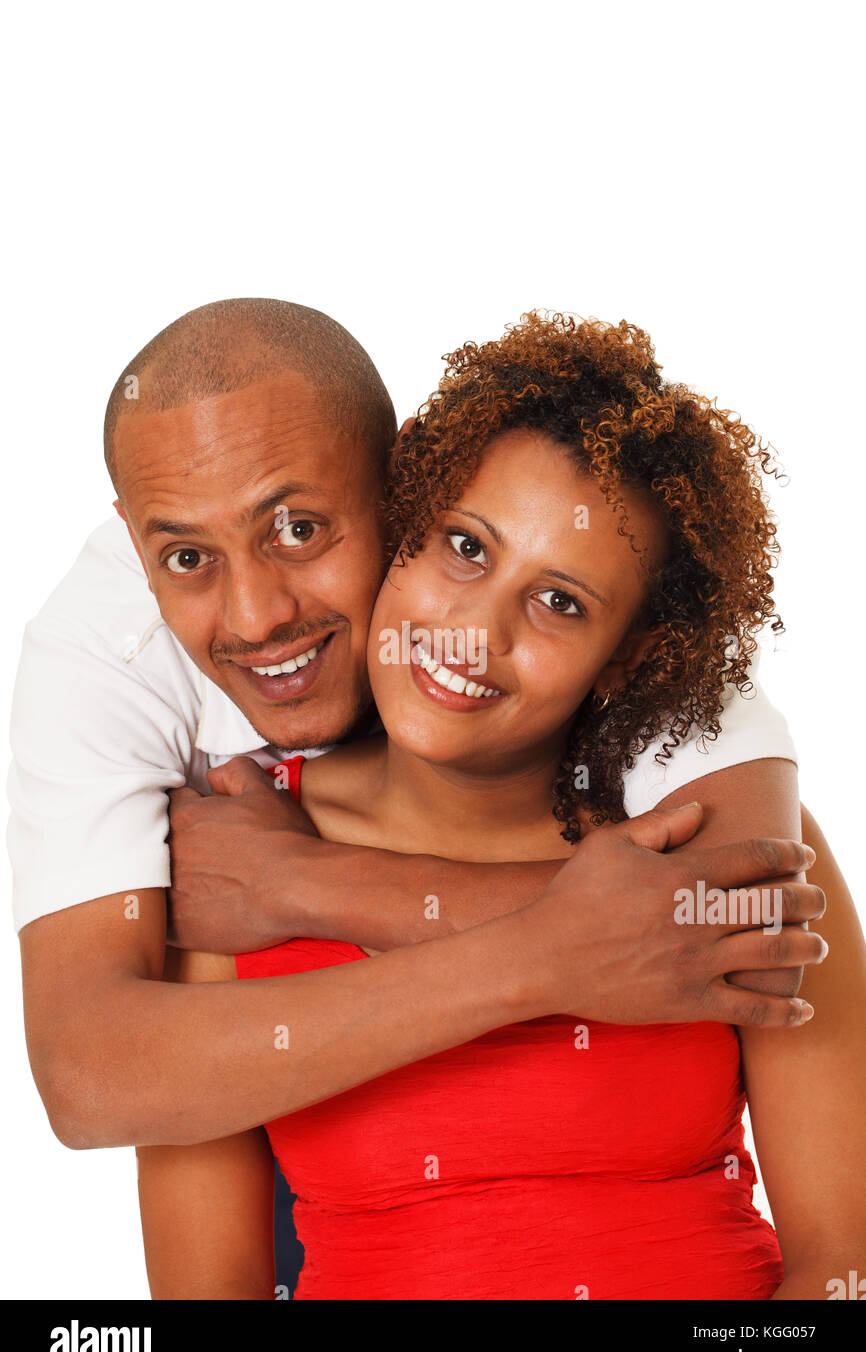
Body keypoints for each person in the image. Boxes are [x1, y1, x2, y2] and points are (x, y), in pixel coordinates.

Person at [10, 301, 824, 1292]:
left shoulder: (710, 789)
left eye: (559, 601)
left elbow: (840, 1266)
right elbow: (99, 1078)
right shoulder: (203, 822)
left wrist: (310, 882)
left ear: (396, 486)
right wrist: (543, 956)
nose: (257, 613)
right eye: (466, 549)